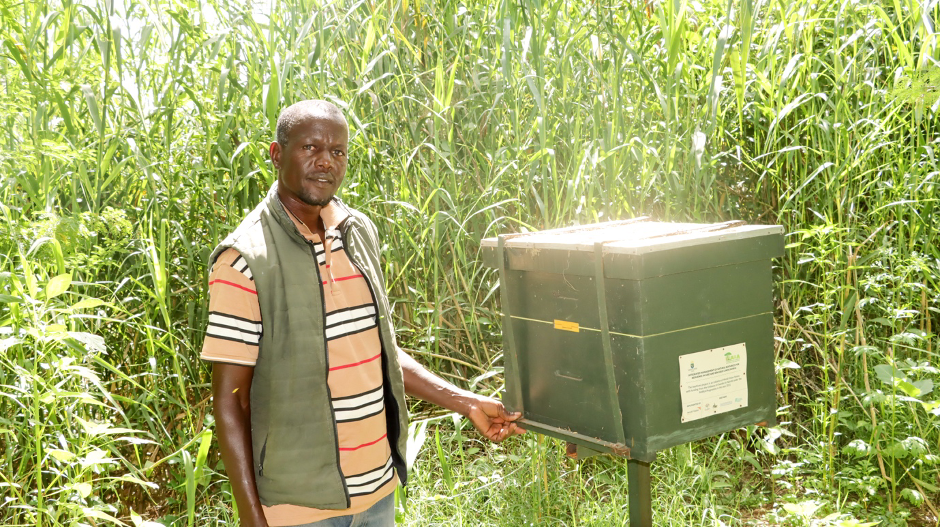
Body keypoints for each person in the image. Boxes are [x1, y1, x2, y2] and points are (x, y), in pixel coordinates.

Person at [201, 99, 523, 527]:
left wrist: (466, 402)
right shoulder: (244, 259)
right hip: (299, 509)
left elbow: (376, 351)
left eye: (337, 152)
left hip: (377, 495)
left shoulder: (357, 232)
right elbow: (229, 401)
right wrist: (251, 518)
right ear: (278, 154)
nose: (325, 163)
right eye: (310, 148)